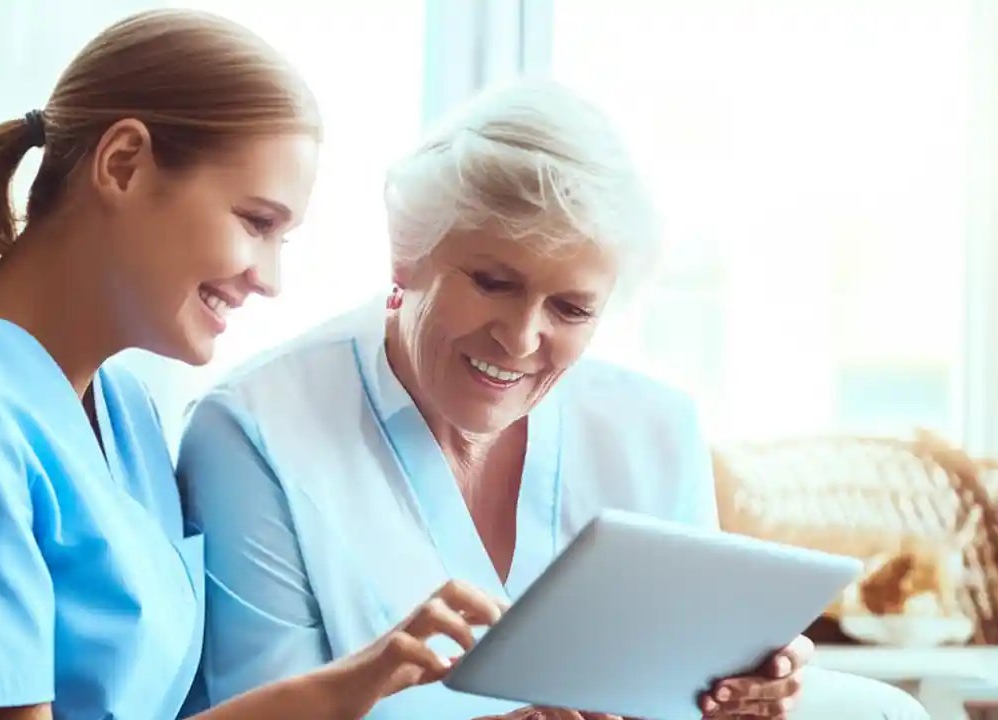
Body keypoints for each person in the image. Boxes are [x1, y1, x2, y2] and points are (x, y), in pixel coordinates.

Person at [176, 79, 932, 719]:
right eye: (492, 283)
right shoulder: (254, 427)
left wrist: (746, 687)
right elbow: (264, 706)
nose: (519, 338)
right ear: (408, 255)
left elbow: (681, 685)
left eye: (570, 309)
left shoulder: (656, 428)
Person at [0, 10, 506, 720]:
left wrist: (364, 681)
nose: (269, 279)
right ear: (123, 164)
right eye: (256, 223)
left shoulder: (126, 409)